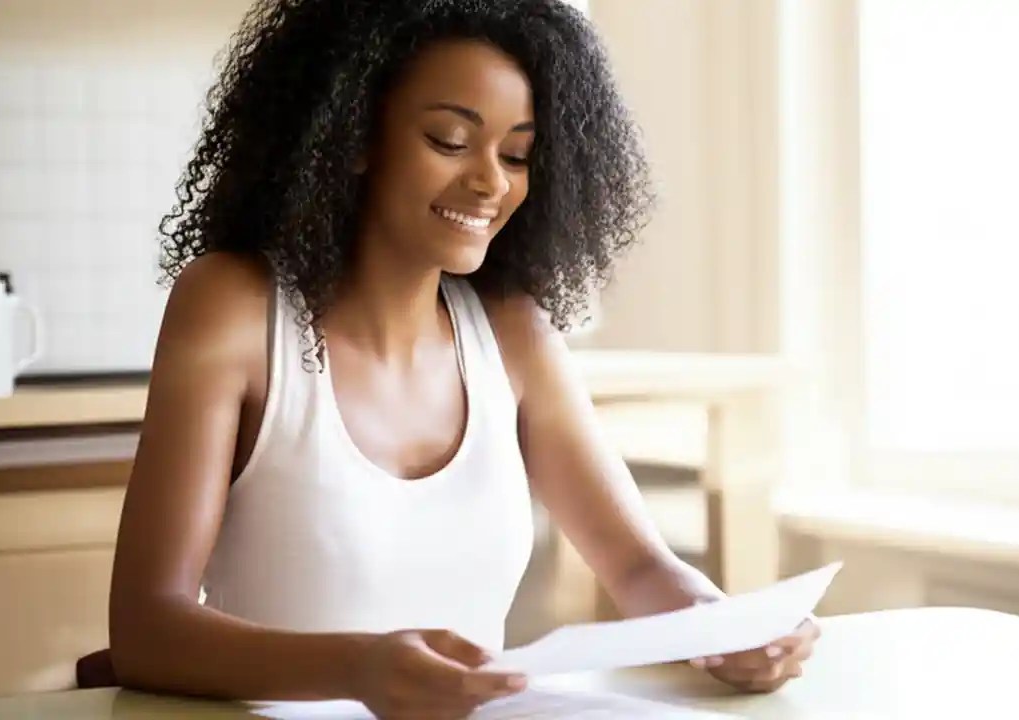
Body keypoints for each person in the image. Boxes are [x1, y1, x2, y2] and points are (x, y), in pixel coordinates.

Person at [105, 1, 819, 717]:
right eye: (450, 141)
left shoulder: (513, 333)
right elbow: (145, 629)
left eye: (516, 156)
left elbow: (637, 566)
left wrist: (730, 629)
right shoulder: (233, 308)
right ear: (352, 135)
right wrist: (360, 668)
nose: (491, 182)